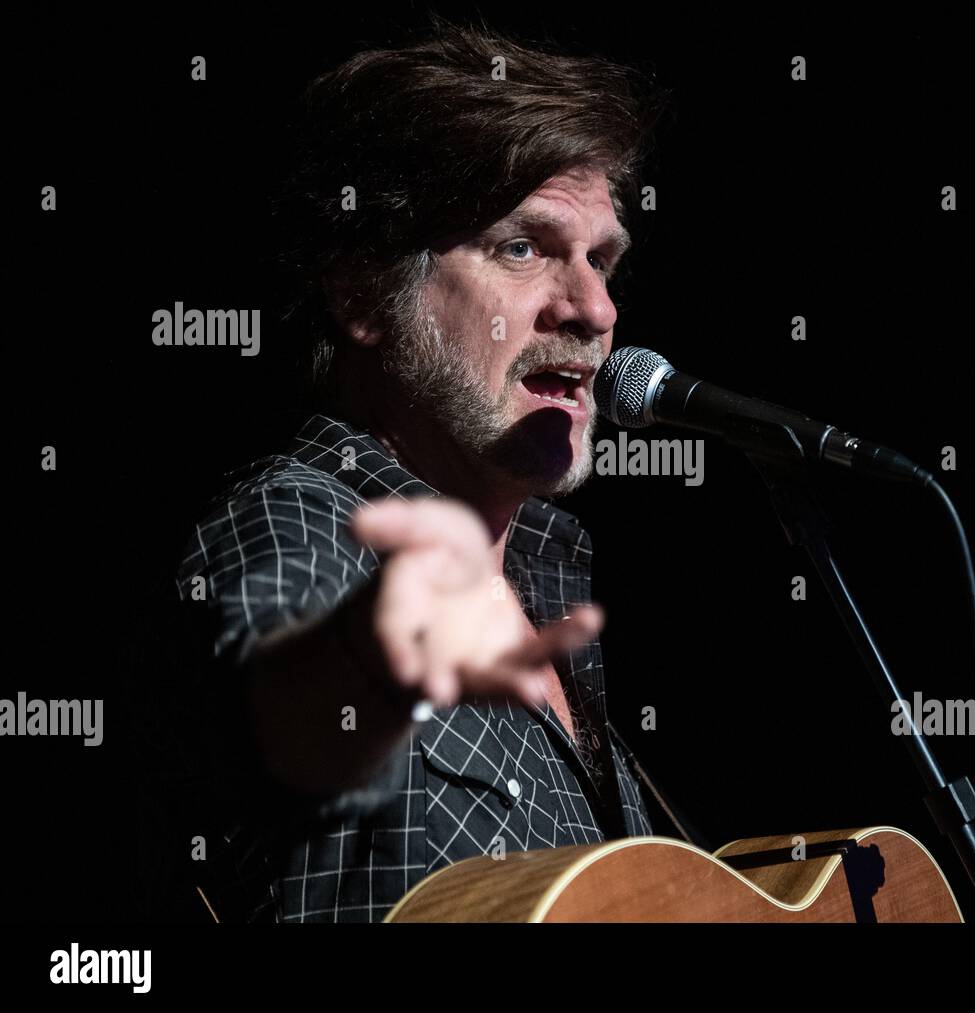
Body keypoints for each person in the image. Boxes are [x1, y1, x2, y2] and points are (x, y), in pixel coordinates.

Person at [155, 17, 669, 923]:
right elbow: (278, 708)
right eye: (523, 247)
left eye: (603, 259)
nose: (594, 307)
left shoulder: (545, 580)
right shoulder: (301, 522)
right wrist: (362, 655)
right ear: (364, 291)